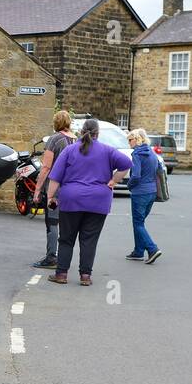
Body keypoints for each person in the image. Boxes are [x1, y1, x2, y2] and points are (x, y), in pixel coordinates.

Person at [43, 118, 131, 286]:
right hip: (99, 201)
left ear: (81, 132)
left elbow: (55, 177)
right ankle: (85, 276)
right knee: (89, 239)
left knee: (66, 239)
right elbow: (127, 164)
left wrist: (50, 197)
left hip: (71, 199)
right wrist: (113, 181)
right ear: (98, 133)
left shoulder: (70, 150)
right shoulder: (107, 150)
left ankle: (61, 274)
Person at [30, 110, 72, 269]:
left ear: (56, 123)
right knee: (66, 224)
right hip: (71, 188)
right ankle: (63, 257)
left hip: (55, 190)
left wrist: (37, 190)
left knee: (52, 222)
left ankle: (51, 257)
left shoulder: (54, 140)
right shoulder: (75, 140)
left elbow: (46, 167)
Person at [123, 128, 162, 263]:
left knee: (138, 223)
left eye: (130, 140)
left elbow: (136, 175)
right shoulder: (152, 153)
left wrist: (129, 186)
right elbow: (159, 170)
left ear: (137, 139)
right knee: (140, 222)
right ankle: (138, 251)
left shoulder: (137, 155)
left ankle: (152, 249)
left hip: (140, 193)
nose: (129, 143)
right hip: (152, 192)